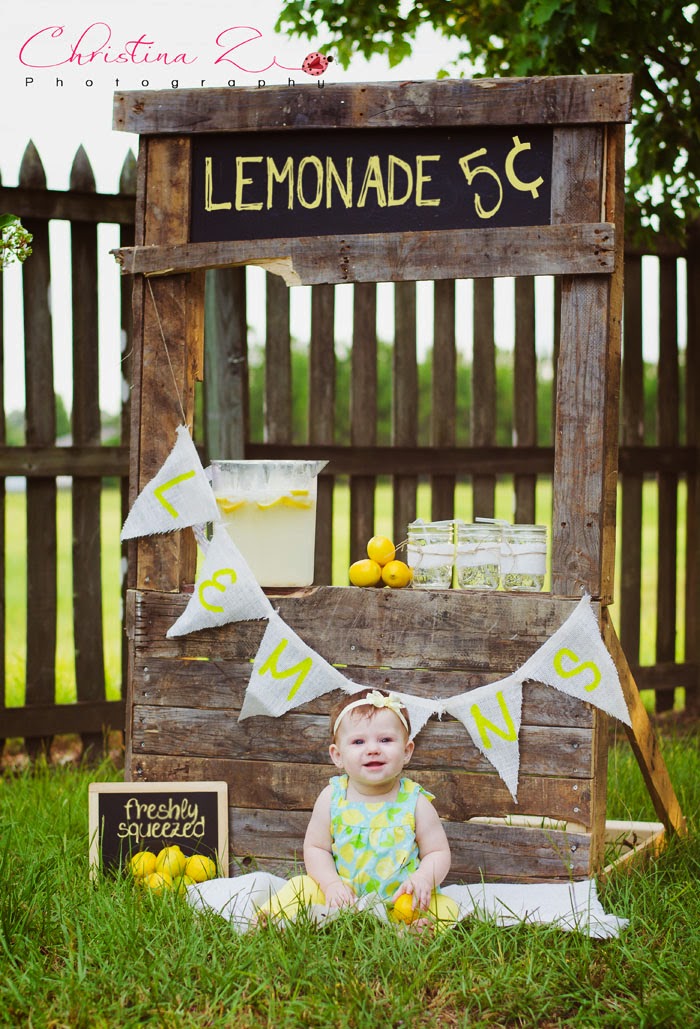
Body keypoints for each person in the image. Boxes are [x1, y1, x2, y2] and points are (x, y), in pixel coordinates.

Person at [254, 687, 459, 929]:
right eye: (359, 741)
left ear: (406, 751)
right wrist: (330, 884)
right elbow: (316, 848)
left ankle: (415, 931)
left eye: (385, 740)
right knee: (301, 886)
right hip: (341, 897)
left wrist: (423, 878)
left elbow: (437, 852)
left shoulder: (414, 801)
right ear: (337, 755)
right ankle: (270, 919)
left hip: (401, 900)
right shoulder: (333, 797)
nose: (373, 748)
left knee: (447, 907)